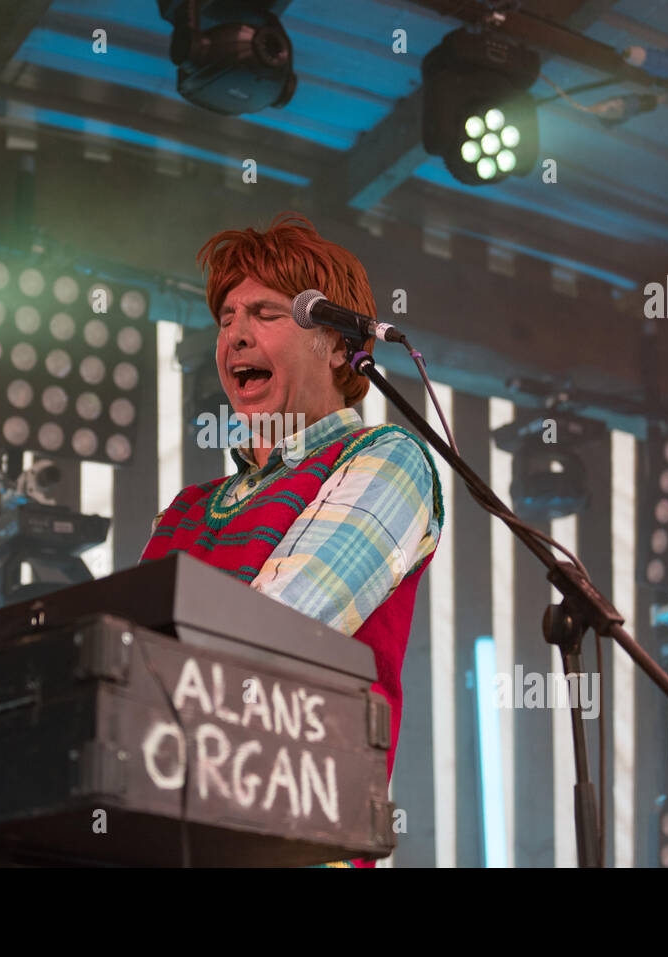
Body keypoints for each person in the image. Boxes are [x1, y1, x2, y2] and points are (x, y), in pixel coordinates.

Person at [139, 212, 443, 867]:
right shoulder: (185, 510)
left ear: (337, 344)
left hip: (298, 848)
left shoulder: (386, 457)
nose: (237, 334)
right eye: (226, 317)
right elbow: (130, 663)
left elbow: (273, 633)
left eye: (268, 313)